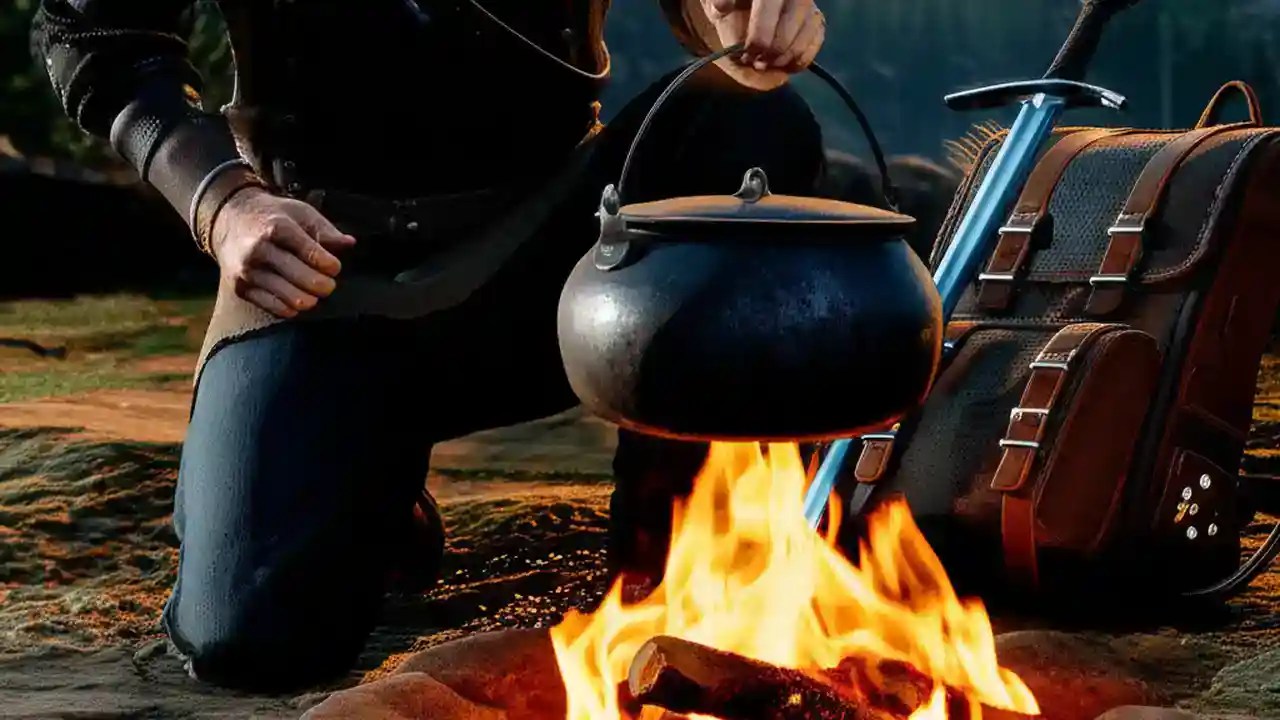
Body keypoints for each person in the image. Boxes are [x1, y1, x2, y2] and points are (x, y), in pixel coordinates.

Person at [31, 0, 829, 692]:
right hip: (314, 262)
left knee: (752, 118)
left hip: (560, 258)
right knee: (249, 642)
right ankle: (363, 487)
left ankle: (676, 566)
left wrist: (732, 16)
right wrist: (224, 203)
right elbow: (96, 31)